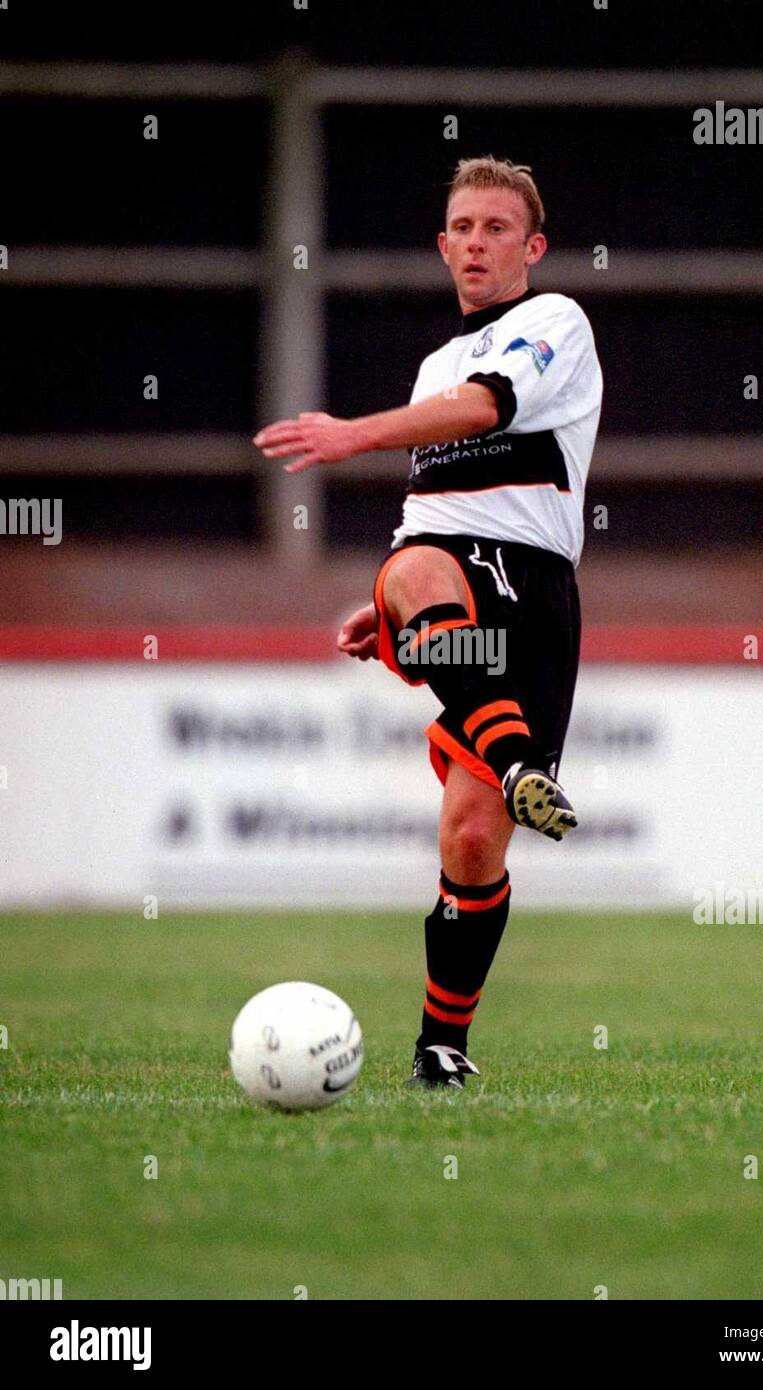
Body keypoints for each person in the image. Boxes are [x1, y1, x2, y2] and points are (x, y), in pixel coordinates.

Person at [254, 156, 603, 1090]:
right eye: (463, 227)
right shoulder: (433, 364)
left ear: (532, 247)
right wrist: (386, 604)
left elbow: (487, 409)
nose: (478, 242)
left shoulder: (554, 322)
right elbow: (424, 515)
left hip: (533, 595)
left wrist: (350, 432)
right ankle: (442, 1062)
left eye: (497, 228)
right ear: (442, 245)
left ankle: (440, 1040)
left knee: (473, 841)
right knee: (413, 563)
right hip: (442, 576)